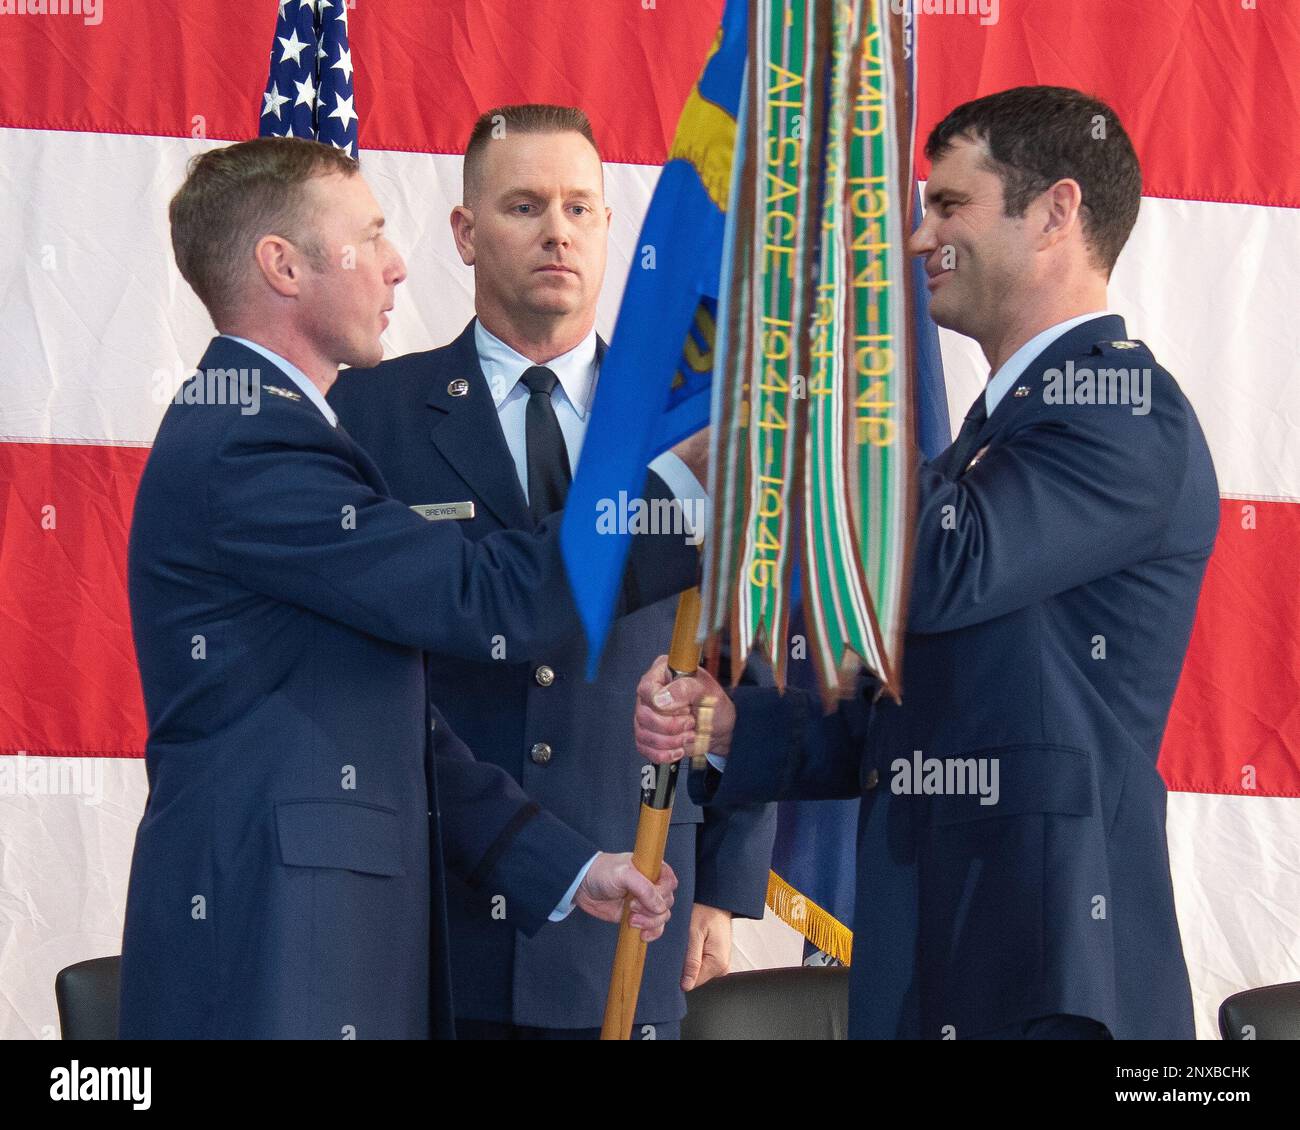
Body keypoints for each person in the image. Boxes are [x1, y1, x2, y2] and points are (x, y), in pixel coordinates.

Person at [634, 86, 1219, 1040]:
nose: (919, 239)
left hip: (1046, 979)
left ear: (1056, 213)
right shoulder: (992, 439)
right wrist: (739, 726)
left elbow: (945, 568)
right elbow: (911, 722)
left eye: (949, 207)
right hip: (937, 962)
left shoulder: (1124, 412)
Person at [122, 136, 700, 1039]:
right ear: (284, 265)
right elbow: (491, 596)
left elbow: (398, 716)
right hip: (281, 955)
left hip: (330, 947)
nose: (397, 267)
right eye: (373, 235)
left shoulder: (272, 429)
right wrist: (686, 487)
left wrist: (563, 866)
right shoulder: (252, 442)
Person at [330, 105, 776, 1041]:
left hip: (638, 899)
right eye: (525, 205)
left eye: (580, 206)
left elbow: (751, 656)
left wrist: (726, 889)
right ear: (464, 231)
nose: (557, 230)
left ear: (612, 227)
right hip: (433, 905)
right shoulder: (369, 412)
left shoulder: (685, 431)